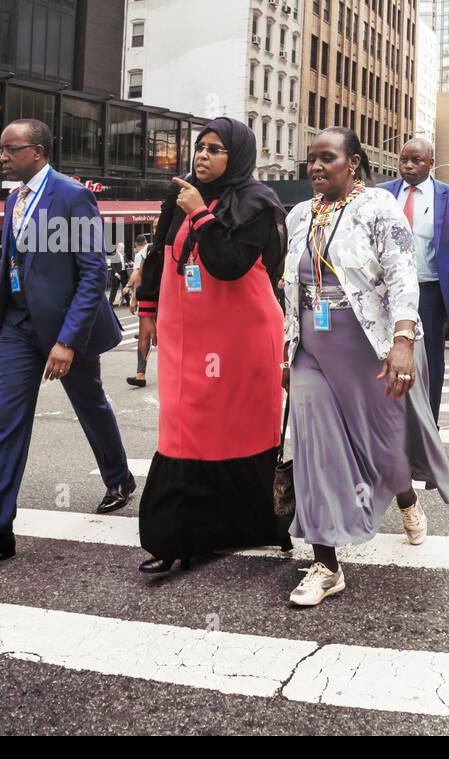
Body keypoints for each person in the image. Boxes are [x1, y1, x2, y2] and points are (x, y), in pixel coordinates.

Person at [283, 126, 449, 607]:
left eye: (327, 158)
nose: (316, 167)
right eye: (311, 159)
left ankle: (405, 496)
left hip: (370, 346)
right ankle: (325, 562)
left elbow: (404, 275)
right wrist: (286, 350)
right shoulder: (299, 215)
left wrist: (402, 341)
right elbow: (288, 289)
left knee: (385, 448)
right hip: (312, 349)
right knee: (314, 449)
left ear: (353, 162)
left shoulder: (378, 208)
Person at [0, 119, 134, 566]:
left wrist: (68, 340)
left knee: (89, 402)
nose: (1, 155)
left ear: (36, 151)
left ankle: (119, 477)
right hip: (18, 326)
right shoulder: (13, 196)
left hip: (62, 330)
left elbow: (92, 271)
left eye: (9, 148)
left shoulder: (73, 195)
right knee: (8, 424)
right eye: (0, 148)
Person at [131, 118, 290, 573]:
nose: (202, 155)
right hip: (186, 334)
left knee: (241, 427)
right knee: (183, 423)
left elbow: (230, 265)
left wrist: (201, 214)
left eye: (215, 149)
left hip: (242, 336)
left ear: (236, 156)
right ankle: (176, 538)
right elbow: (161, 253)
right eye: (199, 147)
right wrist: (146, 309)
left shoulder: (258, 202)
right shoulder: (179, 196)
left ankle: (256, 524)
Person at [377, 138, 449, 422]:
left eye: (416, 160)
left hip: (430, 293)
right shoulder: (381, 194)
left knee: (430, 363)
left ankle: (428, 427)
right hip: (386, 294)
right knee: (384, 358)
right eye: (403, 160)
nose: (407, 165)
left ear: (431, 163)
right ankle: (391, 428)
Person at [125, 232, 153, 387]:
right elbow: (139, 273)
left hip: (168, 298)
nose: (157, 229)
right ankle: (140, 375)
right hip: (150, 297)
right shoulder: (148, 250)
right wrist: (134, 297)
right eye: (155, 227)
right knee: (145, 336)